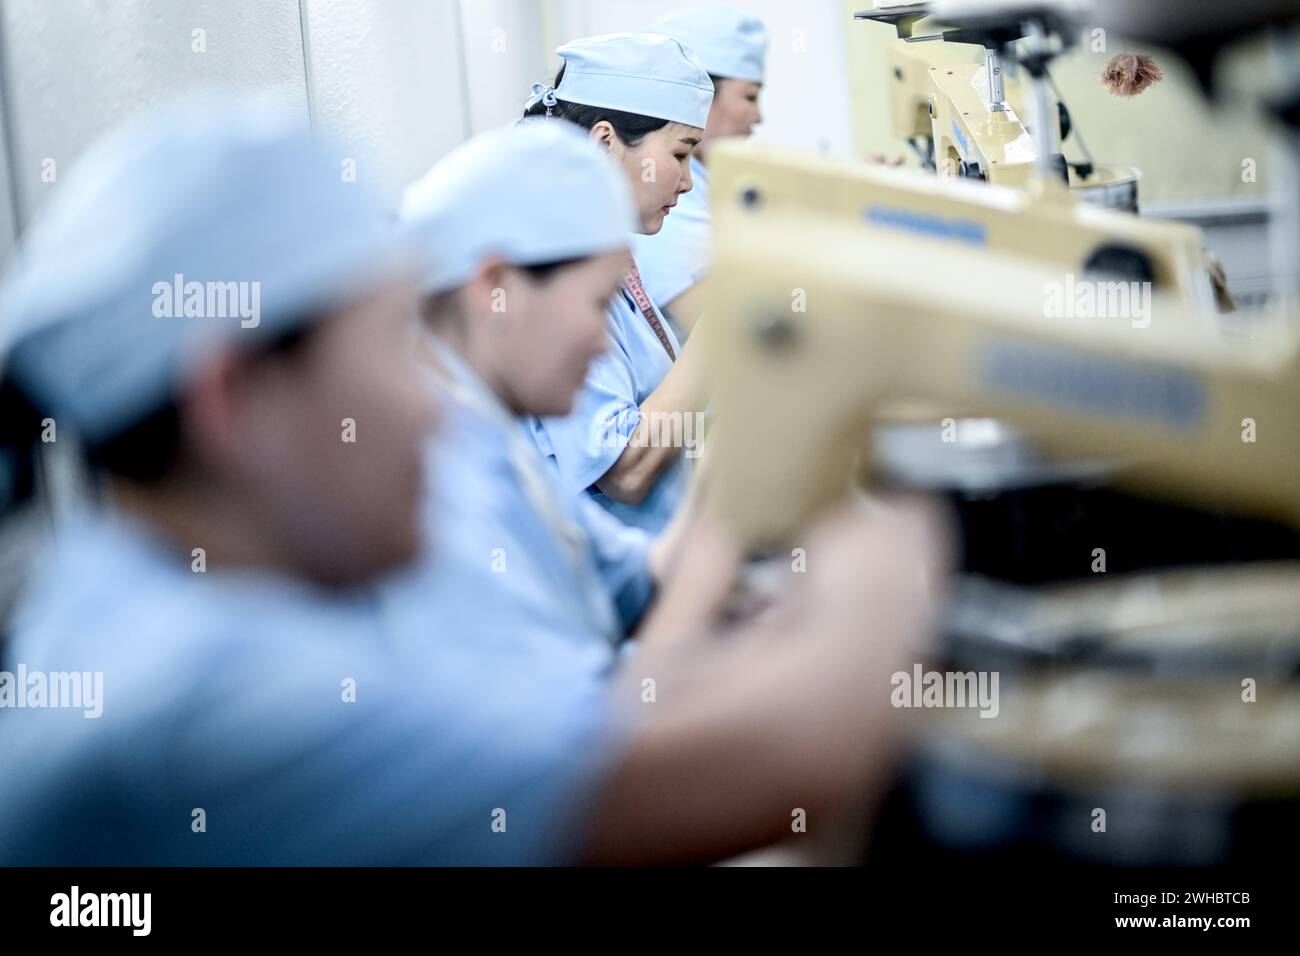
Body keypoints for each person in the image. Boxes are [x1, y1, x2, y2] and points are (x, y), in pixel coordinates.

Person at [0, 96, 945, 866]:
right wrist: (904, 530)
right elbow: (769, 754)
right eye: (390, 353)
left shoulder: (187, 604)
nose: (430, 410)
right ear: (233, 403)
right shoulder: (198, 704)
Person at [383, 121, 665, 665]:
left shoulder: (494, 444)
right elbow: (592, 727)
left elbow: (631, 574)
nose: (605, 343)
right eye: (597, 304)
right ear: (497, 289)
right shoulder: (438, 492)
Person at [522, 33, 713, 534]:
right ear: (605, 142)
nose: (688, 180)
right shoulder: (558, 268)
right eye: (680, 154)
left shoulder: (604, 252)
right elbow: (624, 471)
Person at [634, 6, 768, 340]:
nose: (757, 117)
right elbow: (742, 341)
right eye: (750, 96)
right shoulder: (665, 205)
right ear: (701, 97)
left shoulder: (707, 186)